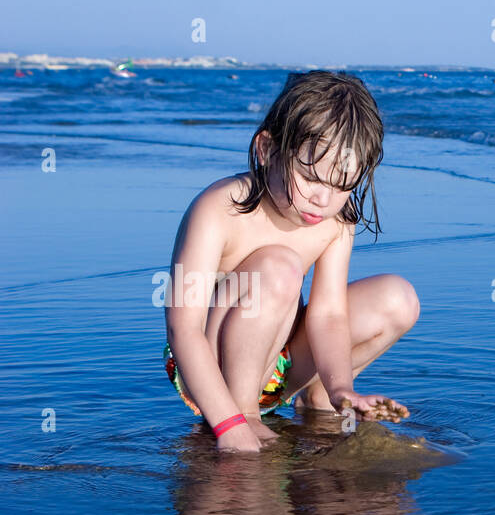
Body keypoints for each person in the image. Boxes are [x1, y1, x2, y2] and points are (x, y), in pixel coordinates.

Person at [163, 70, 416, 452]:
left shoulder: (335, 221)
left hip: (277, 366)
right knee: (280, 265)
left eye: (342, 184)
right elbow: (183, 329)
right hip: (208, 369)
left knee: (398, 298)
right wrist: (232, 425)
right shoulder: (217, 209)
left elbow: (329, 317)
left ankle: (315, 399)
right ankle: (245, 412)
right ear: (267, 150)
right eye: (311, 177)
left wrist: (341, 387)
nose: (323, 199)